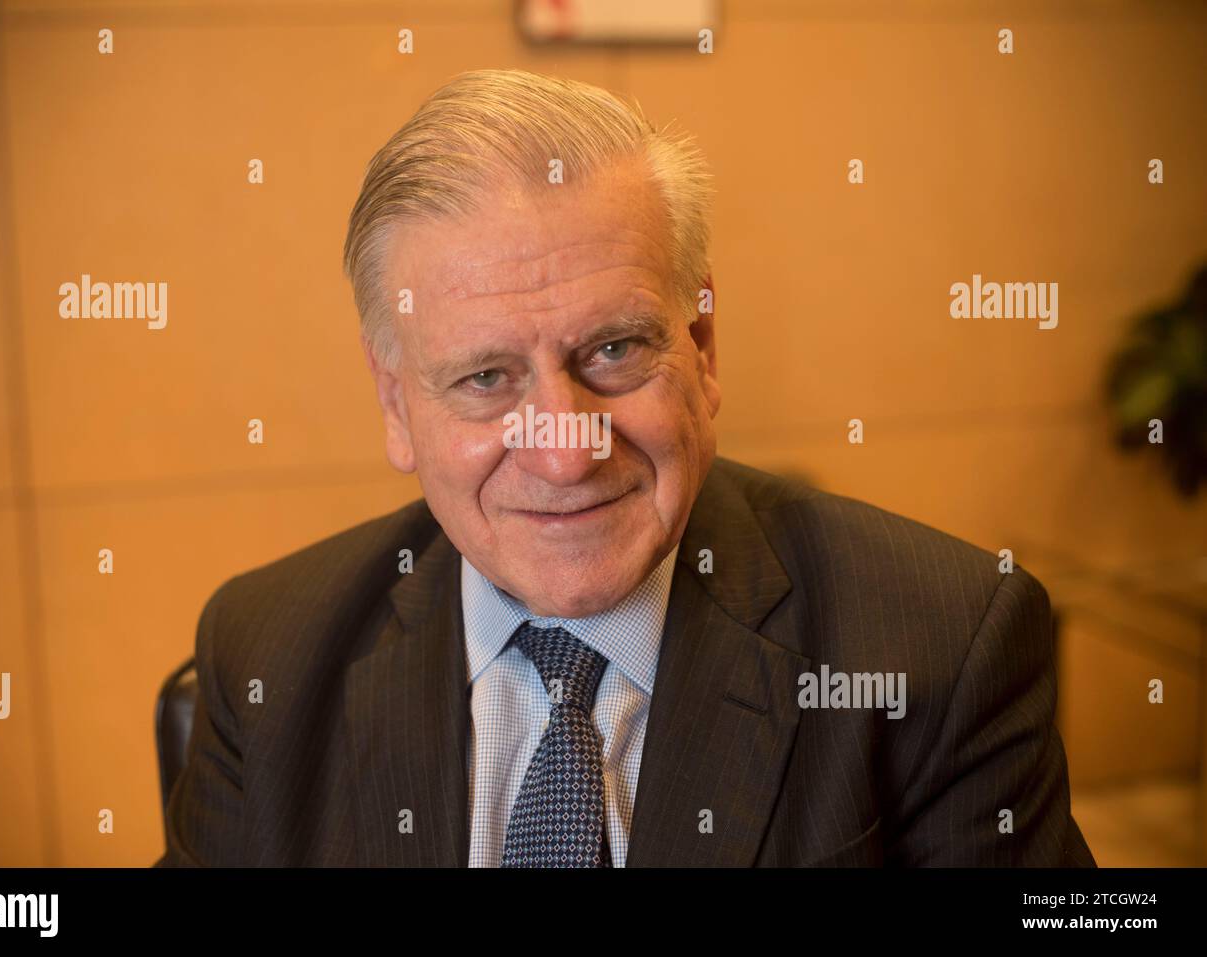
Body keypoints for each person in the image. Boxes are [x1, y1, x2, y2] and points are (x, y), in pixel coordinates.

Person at [158, 69, 1094, 867]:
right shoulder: (266, 649)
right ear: (398, 403)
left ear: (704, 349)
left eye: (613, 350)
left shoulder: (940, 642)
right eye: (486, 377)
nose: (566, 454)